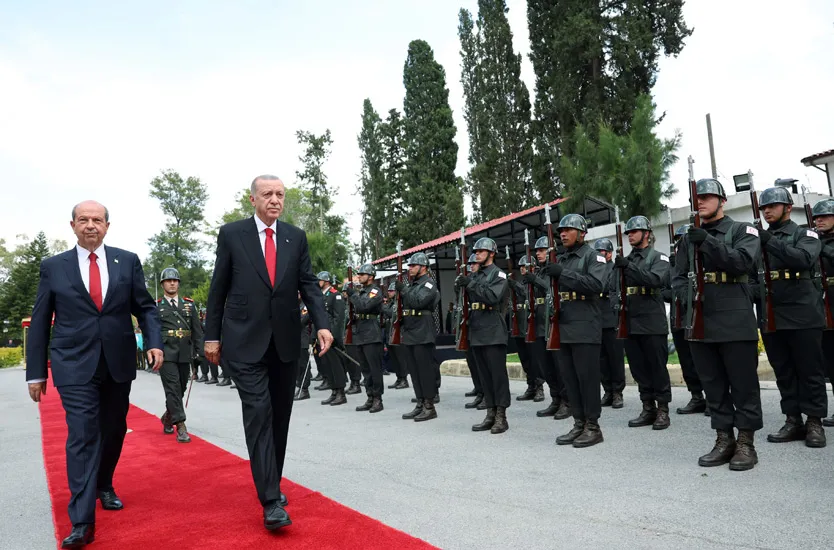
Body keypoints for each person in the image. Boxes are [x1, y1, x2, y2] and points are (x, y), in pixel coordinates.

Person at [26, 200, 163, 549]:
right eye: (83, 220)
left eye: (97, 220)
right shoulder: (54, 267)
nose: (91, 225)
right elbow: (40, 320)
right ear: (72, 225)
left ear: (107, 225)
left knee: (114, 428)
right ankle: (82, 521)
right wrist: (35, 372)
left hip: (116, 360)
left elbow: (145, 307)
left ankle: (104, 483)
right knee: (83, 433)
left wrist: (154, 342)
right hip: (73, 363)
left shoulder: (127, 261)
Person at [204, 175, 333, 531]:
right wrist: (211, 337)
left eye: (280, 195)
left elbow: (308, 283)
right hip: (243, 341)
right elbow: (218, 288)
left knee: (279, 416)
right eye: (268, 194)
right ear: (253, 199)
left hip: (286, 340)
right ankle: (271, 501)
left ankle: (270, 480)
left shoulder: (295, 237)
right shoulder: (232, 234)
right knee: (259, 412)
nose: (275, 200)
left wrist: (322, 323)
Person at [674, 178, 763, 470]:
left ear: (722, 201)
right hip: (700, 318)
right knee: (712, 384)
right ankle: (723, 438)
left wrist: (708, 241)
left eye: (707, 197)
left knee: (743, 383)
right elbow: (677, 277)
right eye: (697, 198)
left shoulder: (742, 231)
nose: (700, 202)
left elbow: (742, 264)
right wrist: (689, 299)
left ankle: (746, 442)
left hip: (734, 316)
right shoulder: (687, 238)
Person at [756, 186, 827, 447]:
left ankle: (815, 422)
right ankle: (793, 419)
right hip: (772, 311)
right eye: (764, 207)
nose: (767, 210)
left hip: (802, 311)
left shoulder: (805, 233)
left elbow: (802, 259)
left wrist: (768, 242)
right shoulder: (758, 238)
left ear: (787, 207)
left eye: (772, 205)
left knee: (810, 370)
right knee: (784, 371)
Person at [616, 215, 672, 430]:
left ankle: (663, 410)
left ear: (646, 234)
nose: (630, 235)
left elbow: (655, 280)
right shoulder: (626, 260)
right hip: (630, 320)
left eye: (634, 232)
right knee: (638, 368)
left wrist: (628, 268)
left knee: (657, 367)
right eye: (628, 233)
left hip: (651, 320)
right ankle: (647, 407)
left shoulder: (659, 258)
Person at [457, 238, 511, 433]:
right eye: (476, 251)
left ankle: (501, 416)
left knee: (497, 376)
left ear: (491, 254)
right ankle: (490, 411)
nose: (477, 254)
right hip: (477, 329)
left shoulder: (500, 274)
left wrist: (469, 285)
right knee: (484, 376)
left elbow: (492, 297)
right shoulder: (476, 275)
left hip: (493, 330)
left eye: (481, 251)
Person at [156, 267, 203, 443]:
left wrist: (199, 352)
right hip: (166, 353)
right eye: (169, 280)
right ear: (163, 284)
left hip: (185, 352)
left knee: (180, 388)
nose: (172, 283)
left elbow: (197, 331)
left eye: (175, 280)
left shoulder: (189, 305)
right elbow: (152, 332)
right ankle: (181, 425)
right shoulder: (157, 306)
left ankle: (168, 417)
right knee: (173, 388)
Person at [397, 252, 441, 421]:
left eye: (413, 265)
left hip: (422, 330)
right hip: (410, 330)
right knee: (414, 371)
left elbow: (418, 302)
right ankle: (420, 403)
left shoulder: (429, 284)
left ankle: (429, 406)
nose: (410, 268)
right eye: (409, 266)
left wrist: (405, 289)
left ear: (423, 267)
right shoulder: (413, 285)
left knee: (424, 370)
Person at [346, 263, 386, 413]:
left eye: (362, 274)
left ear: (370, 276)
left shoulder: (375, 291)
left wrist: (352, 295)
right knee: (365, 369)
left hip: (371, 332)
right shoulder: (362, 292)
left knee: (374, 369)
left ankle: (377, 399)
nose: (359, 276)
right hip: (361, 332)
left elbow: (363, 306)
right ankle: (369, 397)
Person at [593, 238, 625, 409]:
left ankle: (618, 392)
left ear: (609, 253)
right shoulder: (596, 268)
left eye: (602, 252)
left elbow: (606, 287)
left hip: (612, 317)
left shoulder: (615, 268)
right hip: (597, 318)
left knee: (615, 358)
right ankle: (608, 390)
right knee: (602, 359)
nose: (599, 254)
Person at [812, 198, 834, 427]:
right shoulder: (814, 240)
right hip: (823, 306)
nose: (819, 220)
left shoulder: (821, 243)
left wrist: (822, 246)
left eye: (825, 216)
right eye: (817, 217)